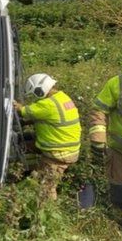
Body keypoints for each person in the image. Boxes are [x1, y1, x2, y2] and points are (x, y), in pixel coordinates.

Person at [88, 44, 122, 233]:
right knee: (121, 195)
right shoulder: (118, 84)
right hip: (121, 153)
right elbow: (99, 110)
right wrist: (98, 140)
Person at [15, 73, 81, 201]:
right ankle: (30, 170)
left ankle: (47, 208)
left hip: (58, 152)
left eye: (35, 94)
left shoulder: (48, 104)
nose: (35, 98)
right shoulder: (62, 97)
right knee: (28, 141)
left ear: (40, 90)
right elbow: (45, 117)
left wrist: (15, 105)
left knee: (46, 186)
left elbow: (24, 111)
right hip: (68, 147)